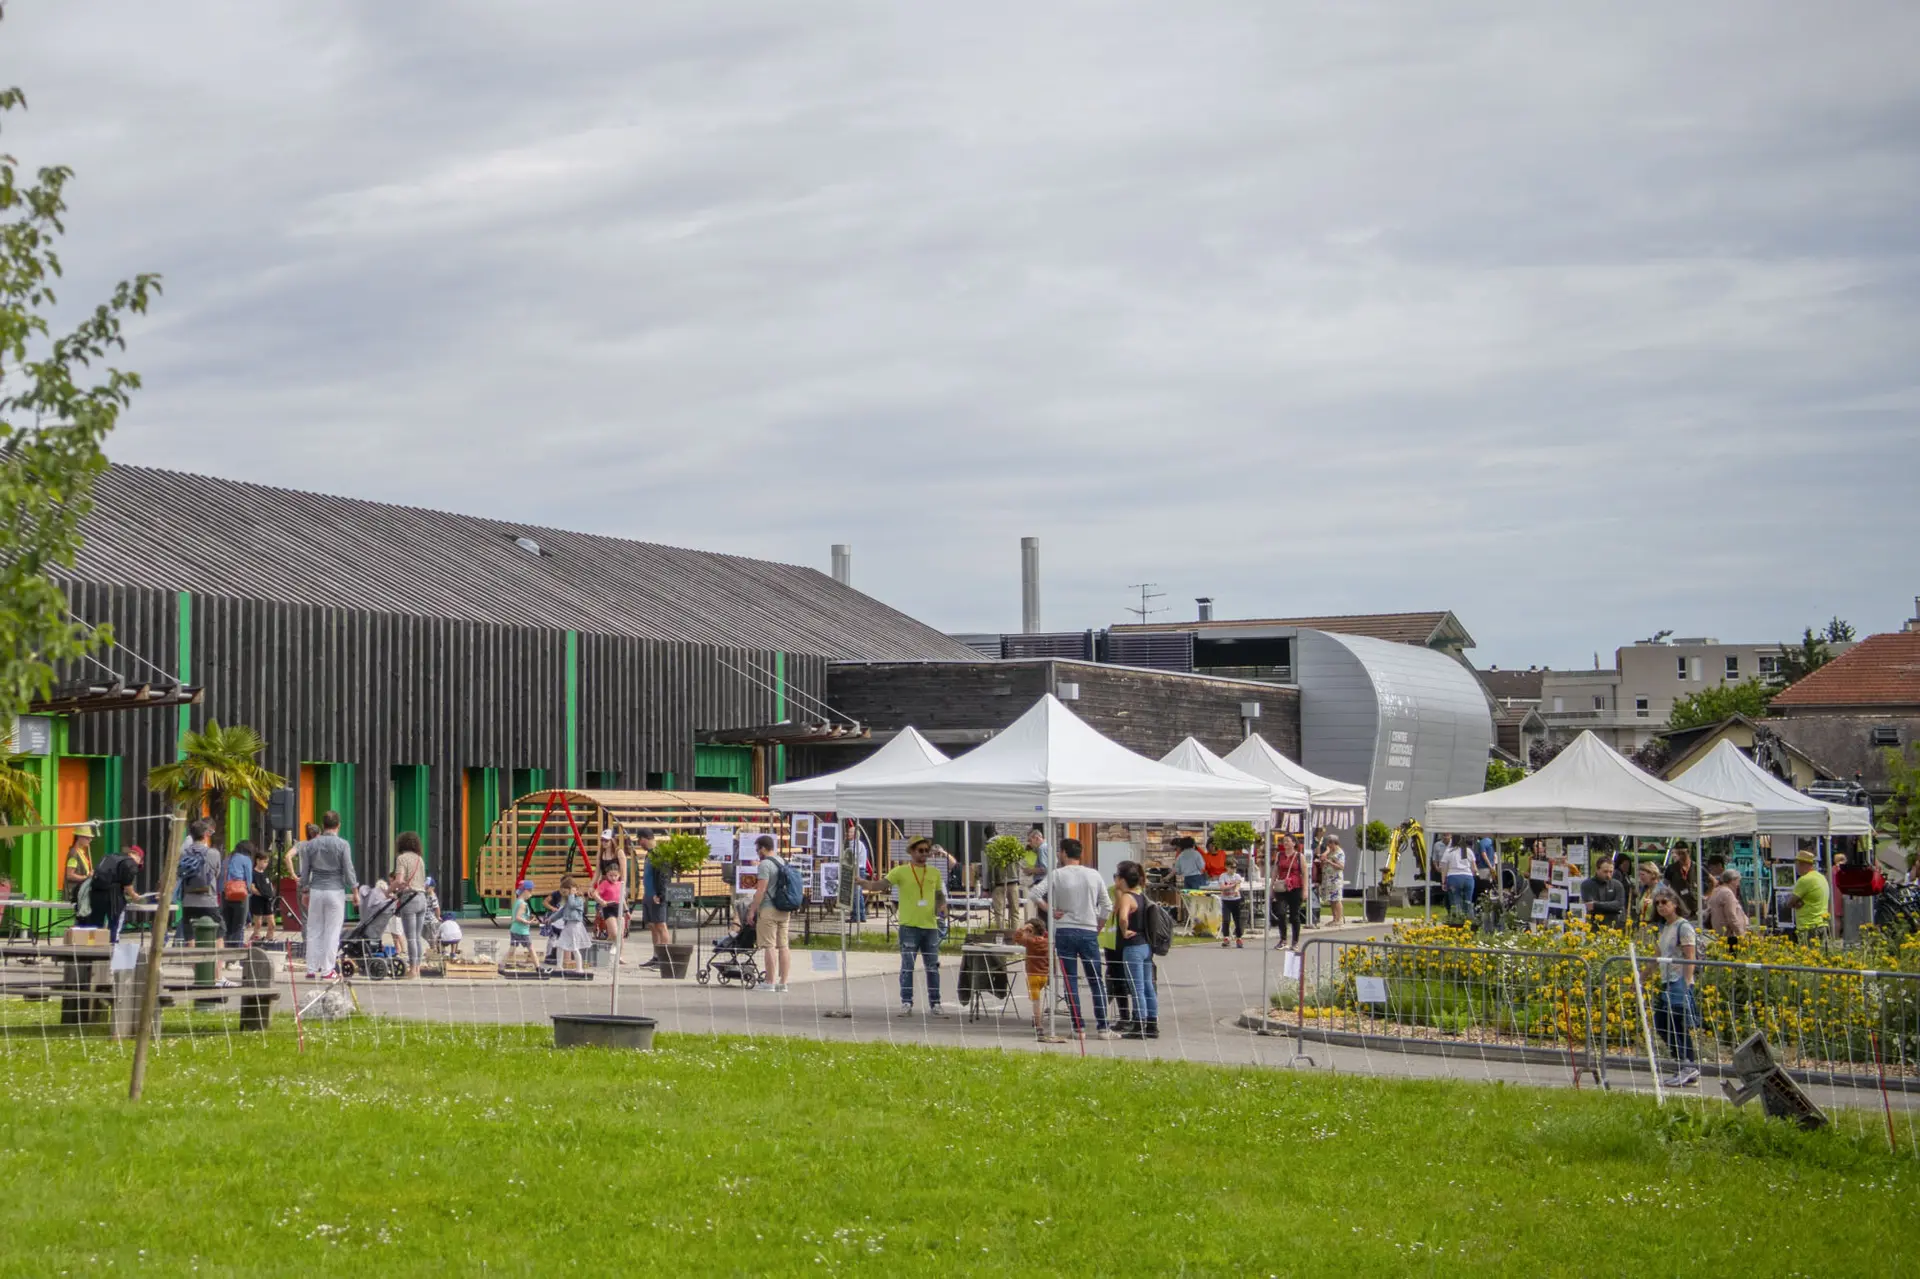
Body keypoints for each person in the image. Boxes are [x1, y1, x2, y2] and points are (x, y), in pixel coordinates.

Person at [1031, 838, 1118, 1040]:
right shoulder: (1094, 875)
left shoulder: (1057, 874)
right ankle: (1103, 1027)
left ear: (1063, 853)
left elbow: (1035, 893)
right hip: (1088, 929)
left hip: (1064, 929)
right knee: (1096, 979)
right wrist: (1098, 926)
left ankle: (1078, 1027)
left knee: (1070, 980)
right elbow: (1106, 905)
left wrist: (1050, 910)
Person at [886, 837, 951, 1017]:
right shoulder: (900, 871)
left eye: (926, 851)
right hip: (909, 926)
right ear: (912, 852)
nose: (924, 854)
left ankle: (935, 1002)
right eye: (920, 851)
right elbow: (882, 884)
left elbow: (939, 895)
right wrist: (865, 883)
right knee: (907, 966)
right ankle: (906, 1001)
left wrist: (942, 908)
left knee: (932, 966)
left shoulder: (935, 873)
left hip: (929, 926)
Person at [298, 810, 360, 981]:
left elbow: (305, 871)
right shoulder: (342, 845)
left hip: (316, 890)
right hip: (335, 890)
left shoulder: (310, 845)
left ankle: (311, 967)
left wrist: (305, 890)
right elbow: (348, 870)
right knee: (332, 931)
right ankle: (327, 970)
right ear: (338, 825)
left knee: (313, 928)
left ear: (323, 825)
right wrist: (355, 891)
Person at [1649, 886, 1701, 1087]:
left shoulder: (1683, 927)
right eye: (1657, 903)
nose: (1661, 906)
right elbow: (1657, 955)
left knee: (1676, 1024)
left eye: (1664, 902)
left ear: (1675, 904)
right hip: (1666, 980)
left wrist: (1687, 983)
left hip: (1678, 981)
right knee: (1663, 1023)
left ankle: (1688, 1065)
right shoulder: (1664, 928)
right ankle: (1685, 1064)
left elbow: (1690, 955)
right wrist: (1643, 975)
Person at [1112, 861, 1159, 1040]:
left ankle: (1139, 1022)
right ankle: (1152, 1023)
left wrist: (1124, 931)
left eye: (1117, 876)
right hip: (1145, 944)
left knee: (1136, 986)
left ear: (1122, 880)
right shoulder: (1141, 896)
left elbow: (1123, 918)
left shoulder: (1126, 897)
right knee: (1148, 986)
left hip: (1132, 946)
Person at [746, 834, 793, 994]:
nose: (757, 852)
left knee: (769, 945)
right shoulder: (782, 861)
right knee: (784, 945)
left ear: (764, 848)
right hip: (784, 908)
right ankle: (783, 982)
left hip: (768, 908)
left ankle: (770, 982)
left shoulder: (765, 864)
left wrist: (752, 910)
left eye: (758, 849)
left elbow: (761, 890)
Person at [176, 819, 224, 943]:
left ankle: (193, 962)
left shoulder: (183, 853)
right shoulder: (213, 853)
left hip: (188, 900)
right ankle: (219, 962)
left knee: (190, 934)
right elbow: (217, 873)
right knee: (220, 930)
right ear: (205, 835)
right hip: (208, 900)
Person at [390, 831, 429, 977]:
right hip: (422, 899)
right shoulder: (420, 859)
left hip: (409, 899)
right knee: (417, 937)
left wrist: (388, 891)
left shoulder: (401, 858)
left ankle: (412, 970)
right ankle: (417, 969)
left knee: (410, 937)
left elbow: (399, 880)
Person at [89, 844, 147, 942]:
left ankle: (92, 946)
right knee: (115, 923)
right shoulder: (130, 863)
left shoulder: (111, 857)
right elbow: (127, 884)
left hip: (96, 894)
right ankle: (113, 944)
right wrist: (134, 895)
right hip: (113, 897)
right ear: (138, 857)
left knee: (95, 924)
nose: (138, 866)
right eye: (139, 864)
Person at [1011, 910, 1052, 1037]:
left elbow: (1016, 938)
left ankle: (1038, 1024)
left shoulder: (1031, 942)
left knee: (1036, 1001)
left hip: (1033, 975)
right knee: (1039, 998)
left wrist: (1023, 928)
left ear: (1031, 931)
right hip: (1044, 975)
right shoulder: (1047, 942)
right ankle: (1037, 1019)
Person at [637, 829, 673, 969]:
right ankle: (656, 956)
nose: (639, 844)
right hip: (648, 895)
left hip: (656, 896)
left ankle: (664, 958)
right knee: (652, 926)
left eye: (640, 840)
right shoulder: (649, 855)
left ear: (645, 838)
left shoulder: (660, 854)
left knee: (660, 925)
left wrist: (661, 895)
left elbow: (664, 876)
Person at [1787, 848, 1830, 941]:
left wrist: (1797, 903)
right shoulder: (1821, 877)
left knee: (1808, 954)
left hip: (1808, 927)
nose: (1796, 867)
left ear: (1801, 864)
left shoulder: (1804, 880)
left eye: (1797, 864)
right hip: (1822, 924)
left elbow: (1790, 903)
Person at [1271, 836, 1305, 951]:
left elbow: (1304, 874)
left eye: (1288, 841)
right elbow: (1275, 871)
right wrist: (1271, 887)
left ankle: (1295, 941)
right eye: (1284, 841)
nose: (1285, 843)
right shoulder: (1280, 855)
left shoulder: (1299, 856)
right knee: (1281, 912)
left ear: (1294, 843)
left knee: (1294, 915)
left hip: (1295, 888)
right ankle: (1283, 939)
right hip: (1282, 888)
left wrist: (1305, 891)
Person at [549, 876, 590, 970]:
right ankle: (559, 966)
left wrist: (571, 894)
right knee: (560, 945)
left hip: (575, 926)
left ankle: (579, 969)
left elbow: (572, 906)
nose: (565, 895)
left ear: (572, 889)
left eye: (566, 892)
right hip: (568, 925)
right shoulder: (568, 900)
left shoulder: (579, 900)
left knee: (574, 948)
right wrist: (551, 919)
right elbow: (561, 912)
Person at [220, 839, 255, 947]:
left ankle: (226, 949)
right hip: (240, 894)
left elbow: (221, 877)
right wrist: (249, 892)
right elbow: (248, 879)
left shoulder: (227, 859)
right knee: (239, 925)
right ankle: (235, 954)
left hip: (226, 894)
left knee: (227, 924)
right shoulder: (246, 859)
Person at [1703, 869, 1749, 946]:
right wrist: (1741, 934)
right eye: (1738, 881)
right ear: (1732, 880)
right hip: (1730, 935)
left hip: (1719, 932)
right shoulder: (1727, 893)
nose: (1738, 884)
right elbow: (1731, 915)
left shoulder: (1716, 891)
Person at [1581, 855, 1629, 929]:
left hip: (1614, 927)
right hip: (1594, 927)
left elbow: (1619, 905)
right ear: (1597, 869)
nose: (1608, 875)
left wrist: (1596, 905)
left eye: (1611, 872)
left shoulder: (1617, 885)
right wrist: (1611, 906)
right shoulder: (1587, 885)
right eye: (1605, 872)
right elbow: (1590, 906)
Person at [247, 845, 276, 943]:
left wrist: (271, 893)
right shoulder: (252, 873)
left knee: (272, 924)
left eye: (267, 862)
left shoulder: (265, 873)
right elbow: (252, 887)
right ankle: (254, 939)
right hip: (257, 900)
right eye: (264, 861)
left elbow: (269, 884)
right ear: (258, 860)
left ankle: (269, 940)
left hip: (267, 900)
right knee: (258, 924)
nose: (266, 864)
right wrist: (262, 894)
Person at [1663, 844, 1700, 919]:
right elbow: (1665, 887)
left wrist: (1706, 896)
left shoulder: (1696, 866)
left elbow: (1712, 881)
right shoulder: (1671, 868)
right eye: (1678, 853)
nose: (1680, 855)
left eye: (1683, 853)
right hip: (1679, 907)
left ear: (1688, 852)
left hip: (1695, 906)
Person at [1319, 831, 1347, 926]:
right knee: (1331, 899)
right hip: (1328, 879)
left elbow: (1341, 866)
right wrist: (1326, 855)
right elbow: (1323, 858)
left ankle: (1339, 919)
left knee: (1337, 899)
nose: (1329, 846)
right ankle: (1334, 918)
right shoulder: (1330, 852)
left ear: (1335, 843)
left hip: (1336, 879)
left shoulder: (1339, 853)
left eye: (1330, 844)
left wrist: (1330, 862)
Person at [1218, 857, 1247, 948]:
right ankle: (1226, 937)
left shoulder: (1237, 876)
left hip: (1235, 900)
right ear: (1227, 867)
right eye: (1232, 867)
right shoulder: (1223, 876)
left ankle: (1239, 938)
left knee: (1237, 920)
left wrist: (1236, 890)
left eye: (1235, 867)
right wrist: (1232, 885)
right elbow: (1222, 887)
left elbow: (1238, 885)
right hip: (1226, 900)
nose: (1234, 869)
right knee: (1226, 920)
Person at [506, 879, 537, 966]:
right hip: (522, 931)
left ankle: (502, 965)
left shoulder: (517, 902)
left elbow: (515, 916)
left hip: (514, 929)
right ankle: (538, 967)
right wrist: (528, 922)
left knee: (512, 948)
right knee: (531, 948)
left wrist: (527, 917)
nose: (531, 893)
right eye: (531, 891)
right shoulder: (523, 904)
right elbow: (518, 917)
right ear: (526, 891)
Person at [62, 830, 95, 904]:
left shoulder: (81, 852)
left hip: (82, 892)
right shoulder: (74, 853)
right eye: (87, 838)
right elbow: (69, 875)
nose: (90, 840)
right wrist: (87, 877)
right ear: (79, 837)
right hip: (74, 893)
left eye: (90, 838)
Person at [595, 863, 625, 943]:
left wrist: (627, 910)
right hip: (609, 908)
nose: (613, 878)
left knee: (620, 935)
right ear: (607, 875)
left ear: (619, 875)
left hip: (619, 908)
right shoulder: (605, 884)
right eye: (611, 875)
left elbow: (622, 898)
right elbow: (595, 894)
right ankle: (609, 948)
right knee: (615, 933)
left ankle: (619, 955)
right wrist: (601, 901)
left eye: (615, 875)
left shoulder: (620, 884)